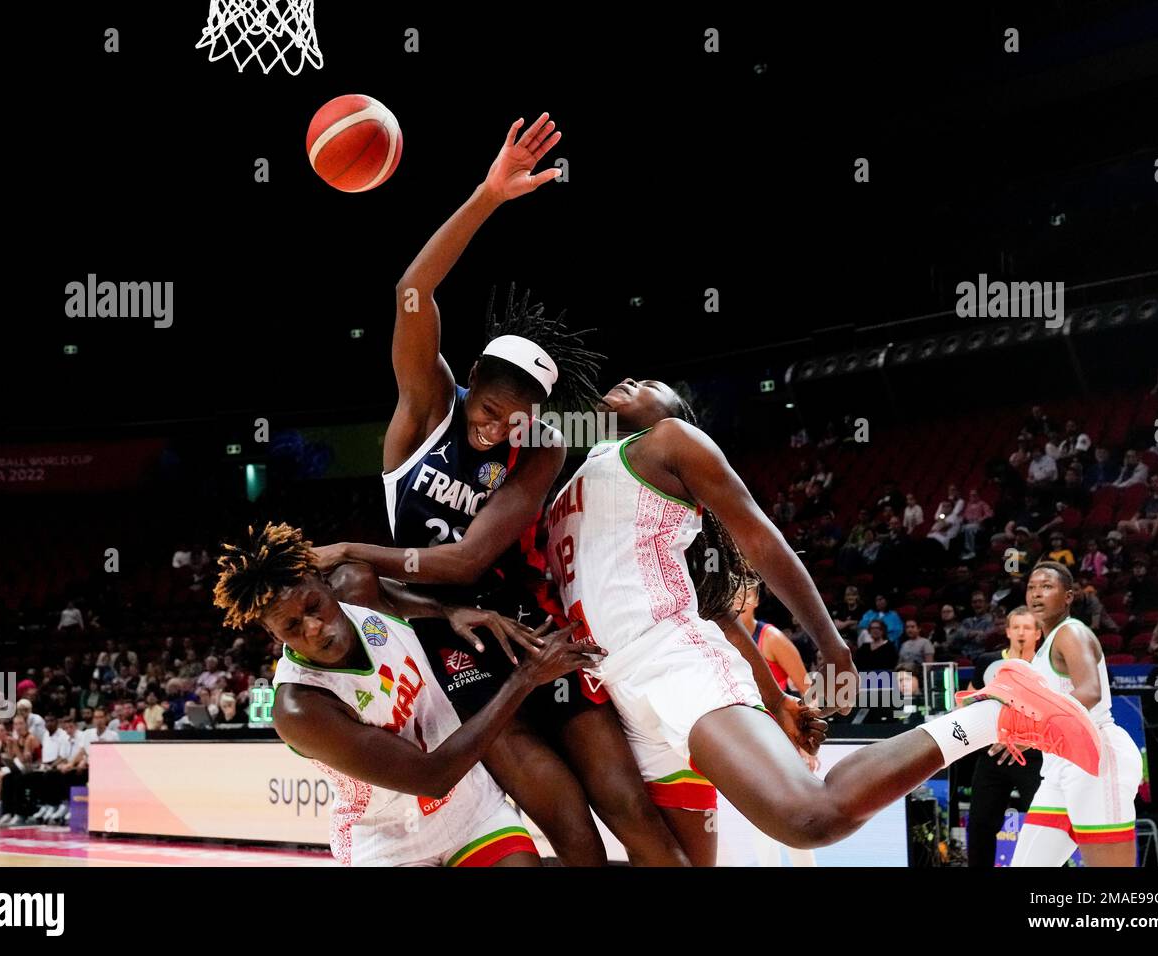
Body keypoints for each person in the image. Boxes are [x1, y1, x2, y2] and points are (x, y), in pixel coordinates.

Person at [309, 114, 688, 868]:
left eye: (514, 420)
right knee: (574, 831)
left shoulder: (536, 449)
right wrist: (488, 194)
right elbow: (413, 287)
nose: (494, 431)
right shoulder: (423, 411)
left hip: (534, 625)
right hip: (453, 644)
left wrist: (354, 545)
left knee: (628, 807)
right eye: (487, 412)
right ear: (467, 382)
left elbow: (469, 556)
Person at [542, 377, 1102, 863]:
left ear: (673, 414)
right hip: (617, 688)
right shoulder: (569, 476)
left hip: (670, 664)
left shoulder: (670, 442)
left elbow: (762, 541)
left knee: (810, 816)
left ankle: (996, 715)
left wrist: (832, 645)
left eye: (650, 384)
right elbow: (713, 606)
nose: (633, 380)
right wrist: (775, 698)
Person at [214, 522, 602, 867]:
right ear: (273, 635)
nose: (313, 628)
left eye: (314, 606)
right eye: (292, 626)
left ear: (326, 584)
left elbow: (394, 599)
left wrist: (447, 611)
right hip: (388, 839)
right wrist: (526, 678)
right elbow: (432, 776)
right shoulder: (300, 706)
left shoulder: (356, 588)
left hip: (470, 810)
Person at [1005, 562, 1143, 867]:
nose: (1036, 594)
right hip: (1061, 764)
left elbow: (1090, 692)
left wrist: (1035, 731)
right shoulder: (1043, 648)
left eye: (1047, 586)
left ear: (1068, 597)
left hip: (1096, 758)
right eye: (1031, 587)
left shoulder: (1072, 632)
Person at [965, 606, 1042, 867]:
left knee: (1046, 824)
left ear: (1038, 634)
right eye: (1016, 627)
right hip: (994, 753)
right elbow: (969, 702)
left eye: (1028, 627)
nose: (1021, 633)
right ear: (1008, 631)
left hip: (1033, 756)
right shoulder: (988, 662)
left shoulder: (1046, 665)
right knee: (980, 825)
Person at [739, 579, 809, 697]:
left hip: (774, 713)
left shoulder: (772, 638)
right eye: (734, 597)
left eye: (746, 596)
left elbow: (807, 690)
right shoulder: (718, 637)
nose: (739, 603)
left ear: (756, 600)